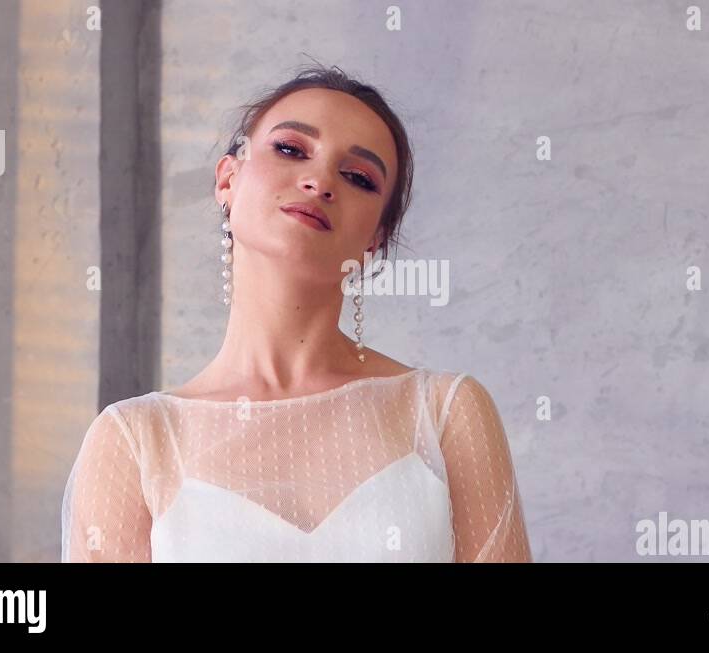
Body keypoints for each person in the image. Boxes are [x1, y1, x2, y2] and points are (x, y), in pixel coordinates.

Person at [61, 64, 532, 562]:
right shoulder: (136, 439)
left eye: (358, 177)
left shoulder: (443, 413)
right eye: (290, 149)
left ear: (375, 241)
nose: (320, 180)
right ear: (228, 179)